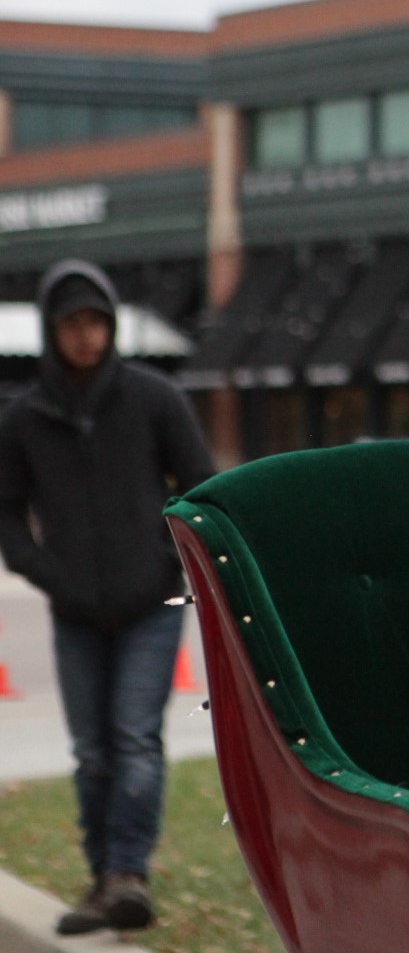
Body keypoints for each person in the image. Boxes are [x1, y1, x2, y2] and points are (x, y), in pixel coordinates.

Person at [0, 260, 215, 936]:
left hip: (150, 605)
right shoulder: (24, 417)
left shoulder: (155, 397)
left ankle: (129, 874)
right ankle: (102, 880)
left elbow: (202, 487)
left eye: (95, 322)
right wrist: (47, 572)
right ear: (52, 332)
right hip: (74, 612)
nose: (85, 336)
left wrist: (165, 564)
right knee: (91, 752)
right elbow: (7, 512)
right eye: (71, 324)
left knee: (133, 739)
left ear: (112, 325)